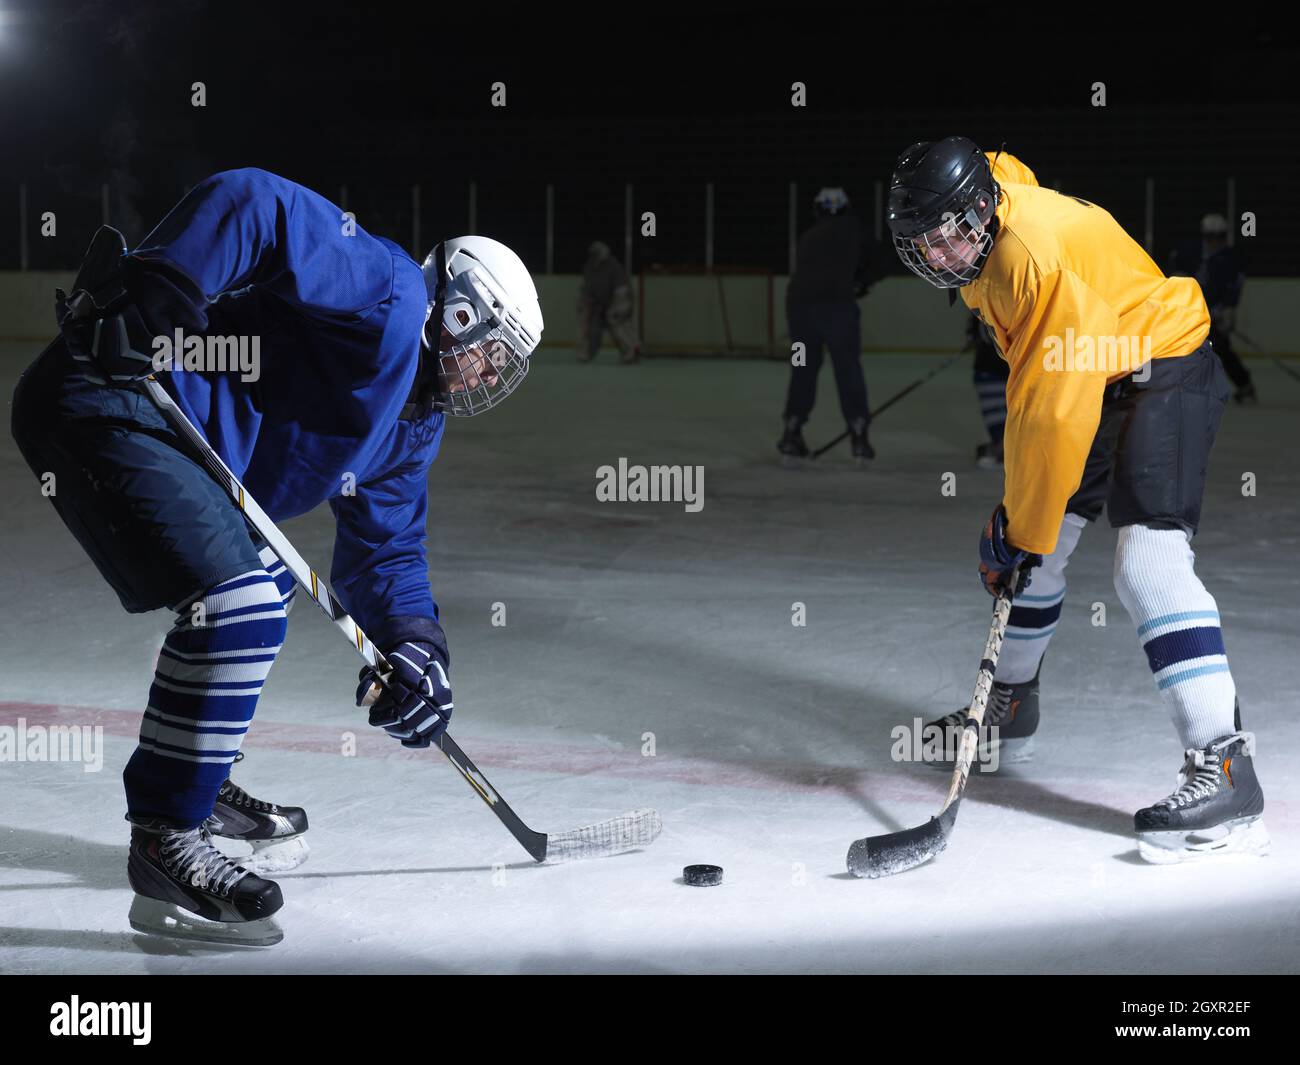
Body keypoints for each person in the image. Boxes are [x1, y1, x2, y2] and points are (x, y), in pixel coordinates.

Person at [10, 169, 544, 943]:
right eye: (494, 351)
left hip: (167, 440)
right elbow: (256, 202)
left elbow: (387, 551)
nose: (492, 374)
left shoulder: (414, 425)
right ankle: (166, 840)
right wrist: (162, 286)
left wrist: (417, 650)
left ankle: (192, 770)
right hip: (109, 394)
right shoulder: (389, 292)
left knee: (267, 578)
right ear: (460, 310)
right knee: (243, 602)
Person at [886, 138, 1266, 863]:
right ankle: (1012, 706)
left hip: (1163, 360)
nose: (939, 256)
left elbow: (1051, 414)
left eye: (948, 237)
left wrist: (1014, 526)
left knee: (1145, 562)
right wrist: (1025, 531)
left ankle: (1226, 769)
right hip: (1106, 363)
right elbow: (1044, 404)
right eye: (924, 244)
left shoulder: (1035, 259)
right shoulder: (986, 224)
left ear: (980, 210)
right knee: (1041, 549)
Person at [777, 187, 874, 466]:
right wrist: (861, 282)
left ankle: (792, 429)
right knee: (848, 369)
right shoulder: (854, 229)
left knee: (803, 370)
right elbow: (881, 258)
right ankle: (858, 433)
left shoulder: (809, 236)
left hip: (799, 308)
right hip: (837, 308)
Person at [1170, 213, 1255, 403]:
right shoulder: (1188, 253)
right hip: (1191, 311)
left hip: (1215, 312)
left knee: (1220, 347)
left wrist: (1227, 310)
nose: (1216, 242)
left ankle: (1244, 384)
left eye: (1220, 237)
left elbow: (1234, 287)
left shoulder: (1231, 259)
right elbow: (1177, 277)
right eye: (1211, 237)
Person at [577, 241, 640, 364]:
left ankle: (631, 349)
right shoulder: (591, 266)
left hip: (619, 300)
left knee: (616, 322)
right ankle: (589, 351)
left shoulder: (611, 265)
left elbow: (618, 291)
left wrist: (610, 306)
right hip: (603, 303)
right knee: (593, 325)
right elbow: (589, 288)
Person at [967, 313, 1009, 468]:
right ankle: (1001, 441)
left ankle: (1008, 445)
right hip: (990, 367)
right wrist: (976, 332)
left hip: (1020, 367)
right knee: (998, 417)